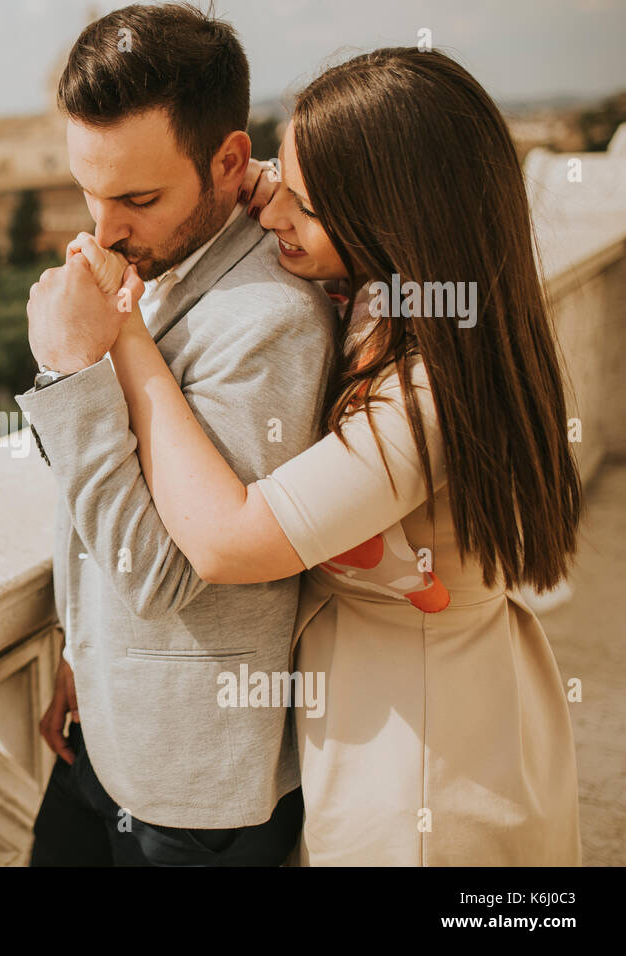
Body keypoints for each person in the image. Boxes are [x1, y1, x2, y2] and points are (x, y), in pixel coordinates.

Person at [84, 47, 582, 865]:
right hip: (420, 703)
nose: (274, 213)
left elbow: (228, 542)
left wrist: (123, 335)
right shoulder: (413, 312)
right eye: (279, 180)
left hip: (422, 764)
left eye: (305, 205)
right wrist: (254, 187)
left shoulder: (426, 396)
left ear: (395, 226)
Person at [15, 2, 336, 865]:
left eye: (138, 199)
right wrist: (81, 650)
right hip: (101, 731)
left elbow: (162, 576)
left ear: (229, 161)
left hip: (194, 792)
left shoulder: (271, 322)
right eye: (91, 193)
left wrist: (68, 373)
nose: (104, 231)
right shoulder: (163, 257)